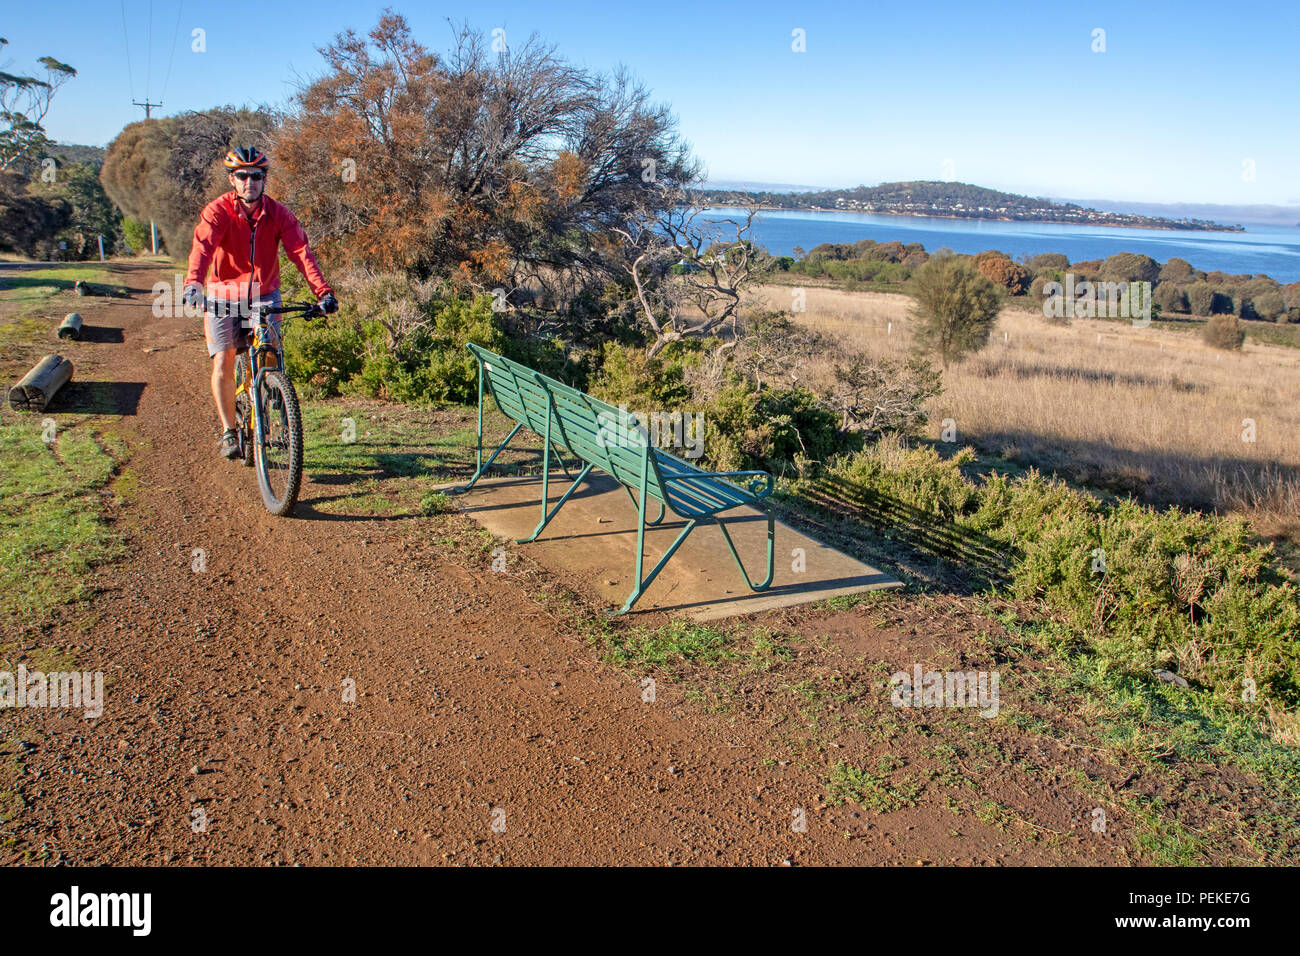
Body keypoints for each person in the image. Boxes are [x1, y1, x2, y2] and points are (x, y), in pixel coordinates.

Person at [182, 147, 338, 459]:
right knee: (224, 359)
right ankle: (229, 430)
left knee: (269, 349)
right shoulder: (218, 211)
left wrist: (323, 293)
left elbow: (301, 253)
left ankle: (269, 392)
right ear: (232, 179)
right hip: (223, 294)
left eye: (256, 176)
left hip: (264, 292)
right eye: (242, 176)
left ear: (264, 179)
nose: (249, 181)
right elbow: (203, 247)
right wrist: (193, 285)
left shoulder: (279, 214)